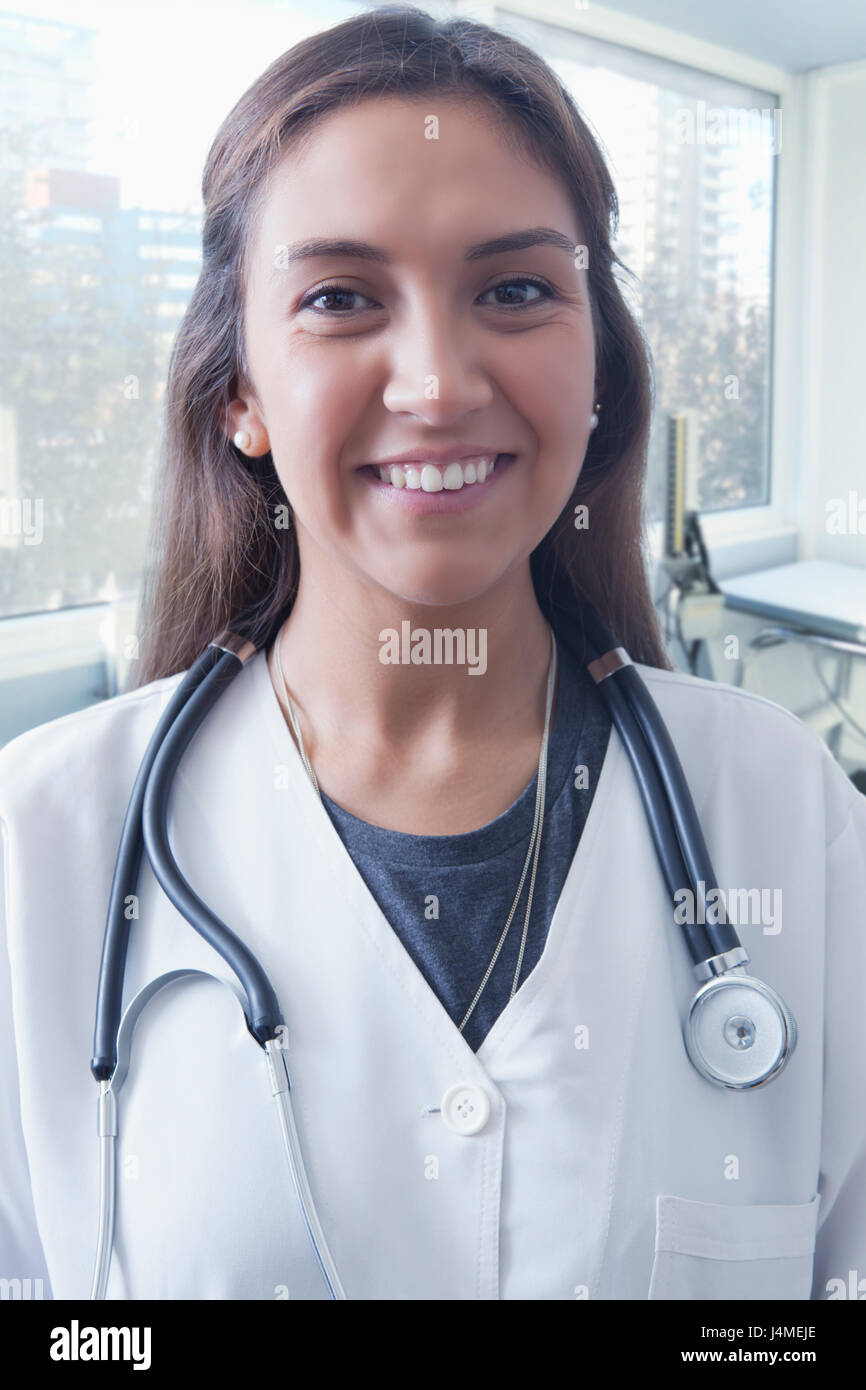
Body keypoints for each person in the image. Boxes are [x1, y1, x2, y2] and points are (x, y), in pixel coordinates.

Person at [1, 4, 864, 1302]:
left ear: (596, 365)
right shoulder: (42, 843)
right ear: (238, 389)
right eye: (340, 297)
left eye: (514, 288)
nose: (437, 381)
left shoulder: (784, 810)